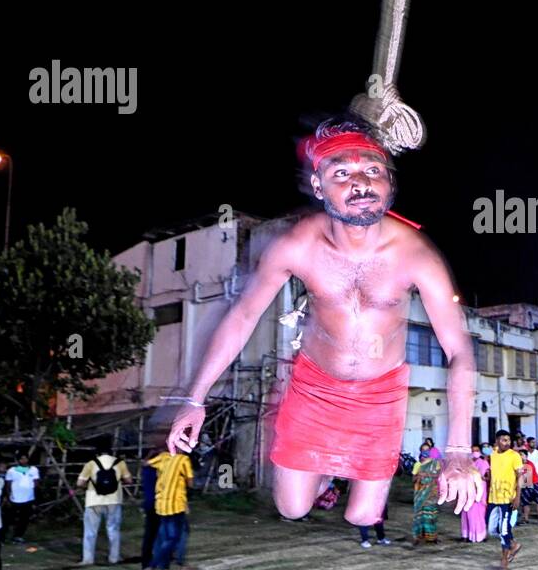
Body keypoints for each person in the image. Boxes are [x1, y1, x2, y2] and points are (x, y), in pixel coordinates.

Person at [167, 117, 483, 539]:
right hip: (314, 386)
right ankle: (324, 471)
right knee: (292, 507)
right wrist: (195, 398)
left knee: (363, 517)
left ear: (389, 182)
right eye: (342, 173)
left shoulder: (416, 253)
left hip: (381, 394)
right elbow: (243, 317)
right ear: (318, 186)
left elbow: (459, 349)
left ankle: (340, 472)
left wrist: (459, 449)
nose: (361, 182)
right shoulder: (297, 245)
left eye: (373, 170)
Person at [76, 438, 133, 565]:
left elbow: (80, 483)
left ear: (97, 452)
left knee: (90, 531)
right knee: (113, 530)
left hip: (93, 500)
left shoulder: (91, 464)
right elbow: (129, 480)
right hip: (114, 500)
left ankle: (88, 559)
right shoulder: (119, 463)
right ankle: (114, 557)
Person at [140, 448, 194, 570]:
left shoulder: (163, 458)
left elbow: (147, 464)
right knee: (172, 539)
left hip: (161, 505)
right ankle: (151, 568)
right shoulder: (183, 460)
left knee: (163, 539)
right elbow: (190, 482)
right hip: (176, 505)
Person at [486, 430, 523, 570]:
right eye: (503, 440)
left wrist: (518, 496)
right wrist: (487, 476)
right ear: (497, 441)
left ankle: (504, 563)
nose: (506, 442)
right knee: (491, 530)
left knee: (504, 530)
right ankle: (513, 544)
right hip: (493, 498)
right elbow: (494, 471)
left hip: (508, 499)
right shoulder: (493, 454)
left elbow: (521, 476)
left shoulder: (515, 456)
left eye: (508, 440)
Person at [4, 454, 40, 543]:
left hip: (28, 498)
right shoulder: (11, 471)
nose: (23, 460)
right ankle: (3, 536)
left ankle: (18, 536)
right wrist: (8, 497)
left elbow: (36, 483)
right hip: (15, 499)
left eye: (25, 458)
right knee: (8, 518)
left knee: (24, 519)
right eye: (21, 459)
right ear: (18, 460)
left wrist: (33, 493)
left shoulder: (33, 469)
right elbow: (8, 485)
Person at [411, 447, 443, 544]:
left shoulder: (436, 464)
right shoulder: (418, 465)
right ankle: (418, 536)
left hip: (431, 494)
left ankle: (431, 537)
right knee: (420, 516)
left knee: (431, 516)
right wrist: (419, 477)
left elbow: (439, 477)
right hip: (420, 495)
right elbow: (413, 480)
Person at [458, 447, 489, 543]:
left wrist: (483, 477)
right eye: (472, 450)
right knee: (466, 513)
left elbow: (487, 477)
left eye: (476, 450)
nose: (474, 452)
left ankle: (480, 535)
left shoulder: (484, 463)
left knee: (478, 513)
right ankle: (466, 535)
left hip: (479, 490)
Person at [519, 451, 538, 525]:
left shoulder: (529, 464)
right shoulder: (519, 464)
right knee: (525, 503)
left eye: (522, 455)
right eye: (519, 455)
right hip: (526, 485)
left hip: (534, 484)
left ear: (526, 456)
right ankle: (526, 519)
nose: (520, 456)